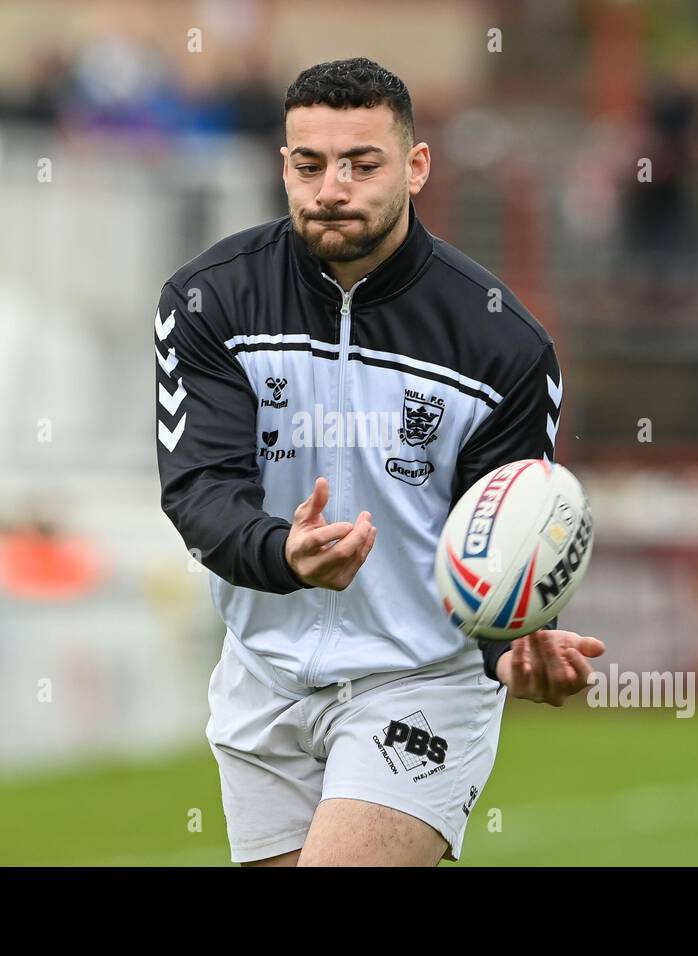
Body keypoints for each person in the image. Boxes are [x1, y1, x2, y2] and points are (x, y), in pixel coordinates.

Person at [154, 57, 604, 867]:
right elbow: (199, 490)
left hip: (419, 683)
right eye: (309, 164)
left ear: (415, 166)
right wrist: (281, 553)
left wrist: (520, 648)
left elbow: (509, 527)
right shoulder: (207, 301)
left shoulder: (503, 341)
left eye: (362, 164)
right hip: (263, 676)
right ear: (283, 165)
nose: (333, 188)